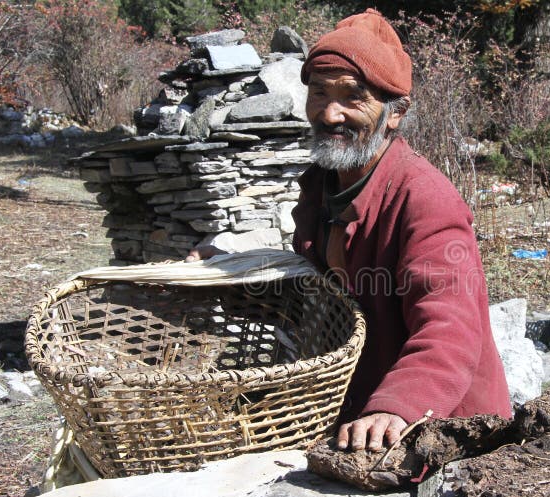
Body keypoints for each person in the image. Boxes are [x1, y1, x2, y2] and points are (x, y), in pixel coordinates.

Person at [188, 9, 512, 450]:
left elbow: (449, 329)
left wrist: (396, 406)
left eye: (352, 97)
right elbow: (321, 301)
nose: (330, 113)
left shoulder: (425, 200)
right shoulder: (323, 185)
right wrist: (228, 276)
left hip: (442, 427)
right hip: (360, 412)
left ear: (395, 113)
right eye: (318, 93)